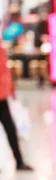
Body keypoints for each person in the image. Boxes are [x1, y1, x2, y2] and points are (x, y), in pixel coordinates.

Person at [0, 43, 33, 172]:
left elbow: (5, 72)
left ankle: (19, 161)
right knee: (10, 129)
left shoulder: (1, 50)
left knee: (10, 129)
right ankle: (19, 162)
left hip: (2, 96)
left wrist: (11, 90)